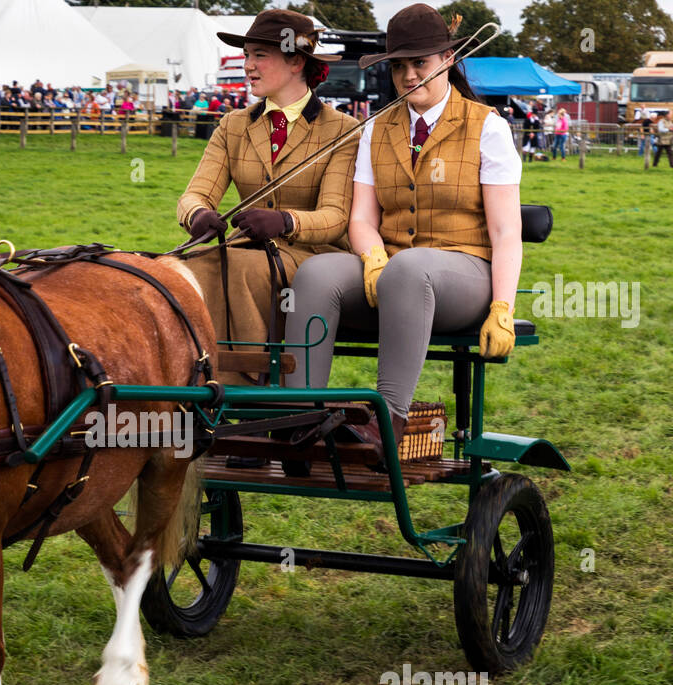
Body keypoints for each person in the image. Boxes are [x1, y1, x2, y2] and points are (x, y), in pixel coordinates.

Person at [282, 2, 522, 470]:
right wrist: (372, 257)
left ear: (447, 61)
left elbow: (505, 230)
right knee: (315, 273)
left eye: (421, 64)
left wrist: (503, 307)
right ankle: (302, 418)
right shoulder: (376, 129)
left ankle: (387, 422)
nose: (409, 75)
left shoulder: (487, 127)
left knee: (409, 269)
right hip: (392, 269)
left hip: (465, 274)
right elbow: (361, 219)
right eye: (399, 66)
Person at [176, 9, 353, 386]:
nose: (248, 66)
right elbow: (195, 193)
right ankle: (192, 380)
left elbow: (336, 216)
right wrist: (197, 215)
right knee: (184, 266)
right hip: (247, 249)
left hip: (315, 255)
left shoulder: (343, 130)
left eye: (260, 55)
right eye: (246, 55)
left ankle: (245, 386)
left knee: (238, 268)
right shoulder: (233, 124)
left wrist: (286, 221)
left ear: (295, 62)